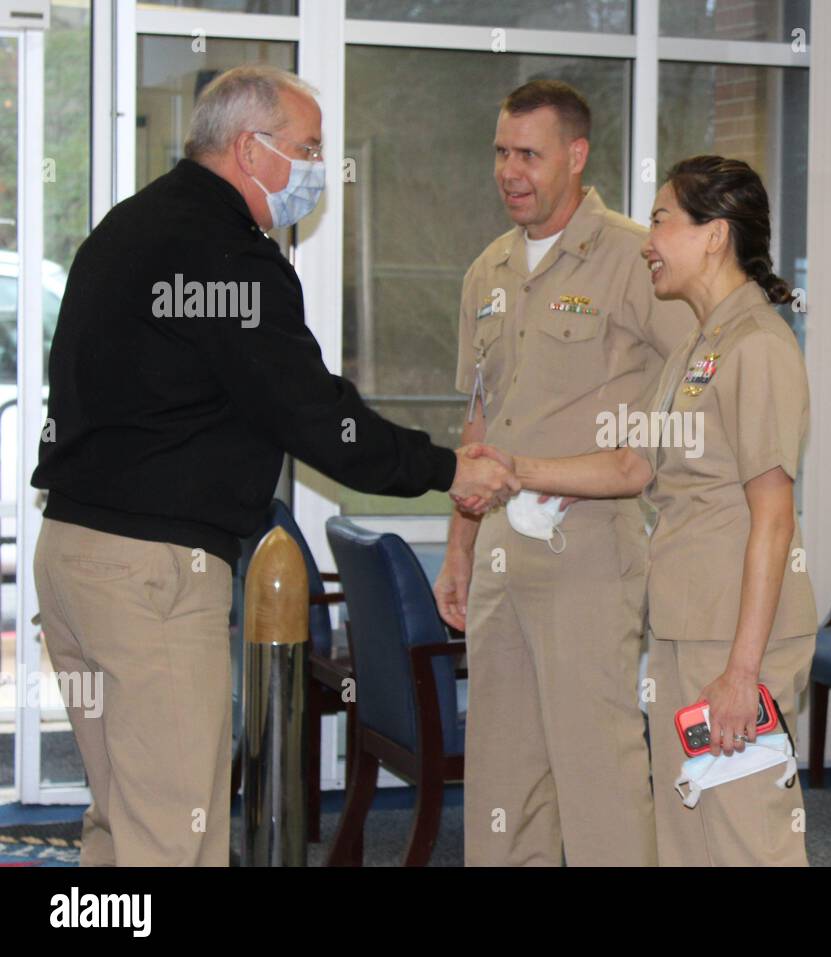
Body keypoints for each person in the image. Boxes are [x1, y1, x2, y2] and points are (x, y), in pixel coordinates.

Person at [30, 65, 515, 867]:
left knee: (120, 818)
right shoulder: (226, 256)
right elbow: (318, 420)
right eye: (310, 148)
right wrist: (446, 468)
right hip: (152, 576)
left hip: (75, 558)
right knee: (175, 836)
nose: (320, 168)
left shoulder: (128, 226)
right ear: (250, 150)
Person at [464, 155, 818, 866]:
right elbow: (632, 465)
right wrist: (515, 467)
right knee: (688, 837)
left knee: (748, 837)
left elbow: (773, 516)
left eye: (661, 220)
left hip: (735, 637)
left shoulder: (760, 347)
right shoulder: (695, 344)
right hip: (689, 628)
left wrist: (743, 672)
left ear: (714, 235)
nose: (648, 240)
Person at [436, 79, 695, 866]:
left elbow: (691, 394)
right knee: (502, 779)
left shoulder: (633, 258)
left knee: (597, 771)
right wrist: (459, 547)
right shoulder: (490, 268)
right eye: (500, 154)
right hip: (499, 562)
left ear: (576, 156)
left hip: (588, 551)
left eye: (529, 154)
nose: (510, 171)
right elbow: (478, 423)